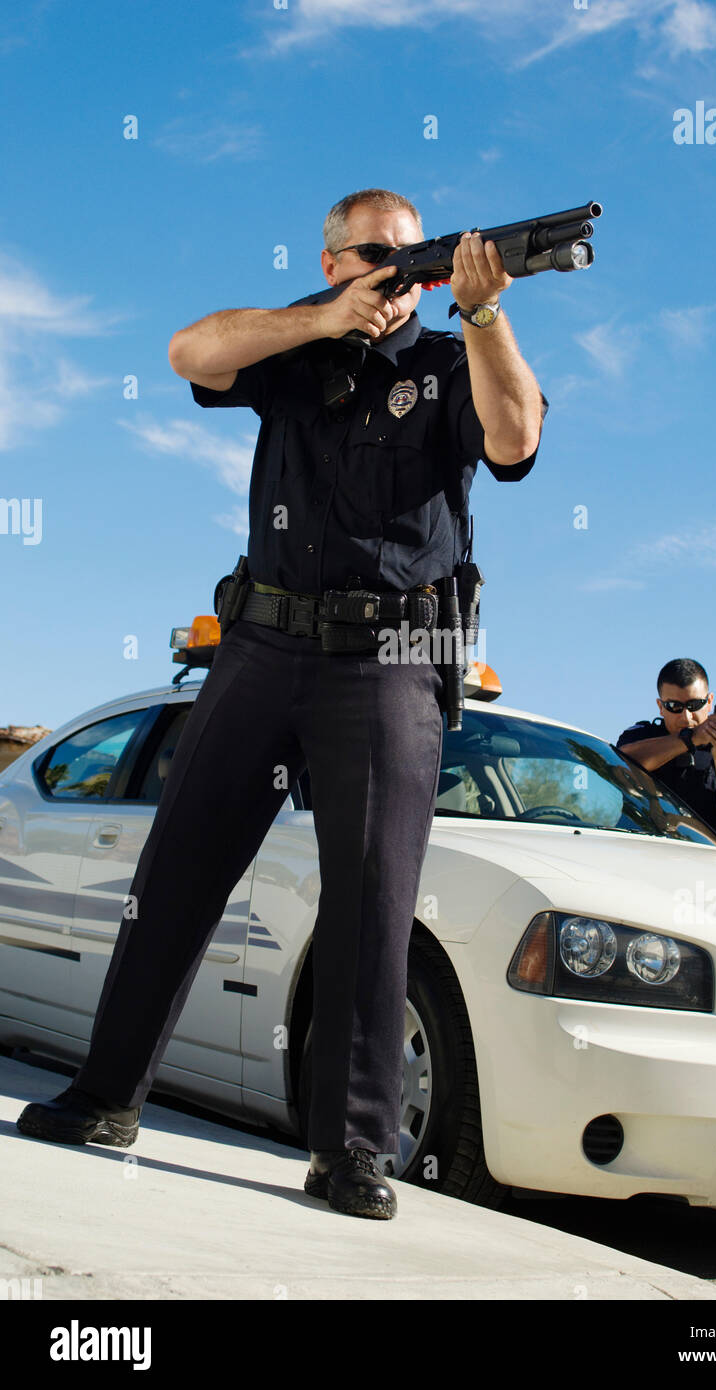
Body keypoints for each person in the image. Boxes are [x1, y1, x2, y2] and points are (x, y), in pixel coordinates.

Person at [17, 187, 546, 1220]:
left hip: (392, 655)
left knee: (367, 911)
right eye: (377, 258)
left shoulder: (445, 364)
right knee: (175, 872)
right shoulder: (294, 354)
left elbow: (516, 439)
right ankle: (106, 1094)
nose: (399, 278)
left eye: (415, 262)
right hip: (261, 642)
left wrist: (483, 314)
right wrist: (319, 319)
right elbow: (188, 351)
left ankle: (351, 1149)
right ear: (333, 259)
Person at [615, 657, 716, 836]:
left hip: (704, 857)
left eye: (694, 705)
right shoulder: (641, 736)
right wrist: (689, 739)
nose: (686, 717)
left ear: (710, 701)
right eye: (674, 706)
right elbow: (621, 762)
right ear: (660, 706)